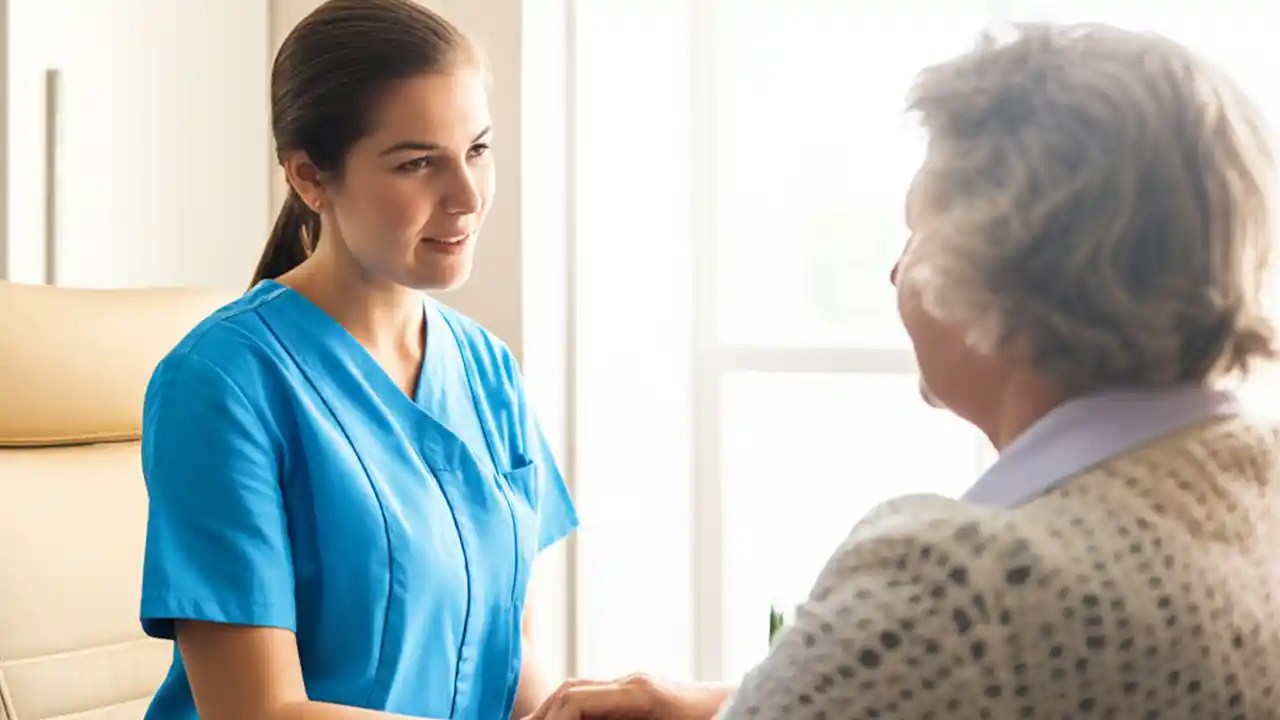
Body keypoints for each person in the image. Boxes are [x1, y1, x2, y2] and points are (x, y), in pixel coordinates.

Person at [527, 23, 1280, 720]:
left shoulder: (958, 589)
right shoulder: (1256, 486)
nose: (895, 270)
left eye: (917, 227)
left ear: (1003, 261)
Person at [138, 1, 577, 718]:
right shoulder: (221, 385)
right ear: (311, 177)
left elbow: (512, 670)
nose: (466, 197)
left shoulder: (487, 370)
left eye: (477, 150)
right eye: (417, 163)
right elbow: (256, 712)